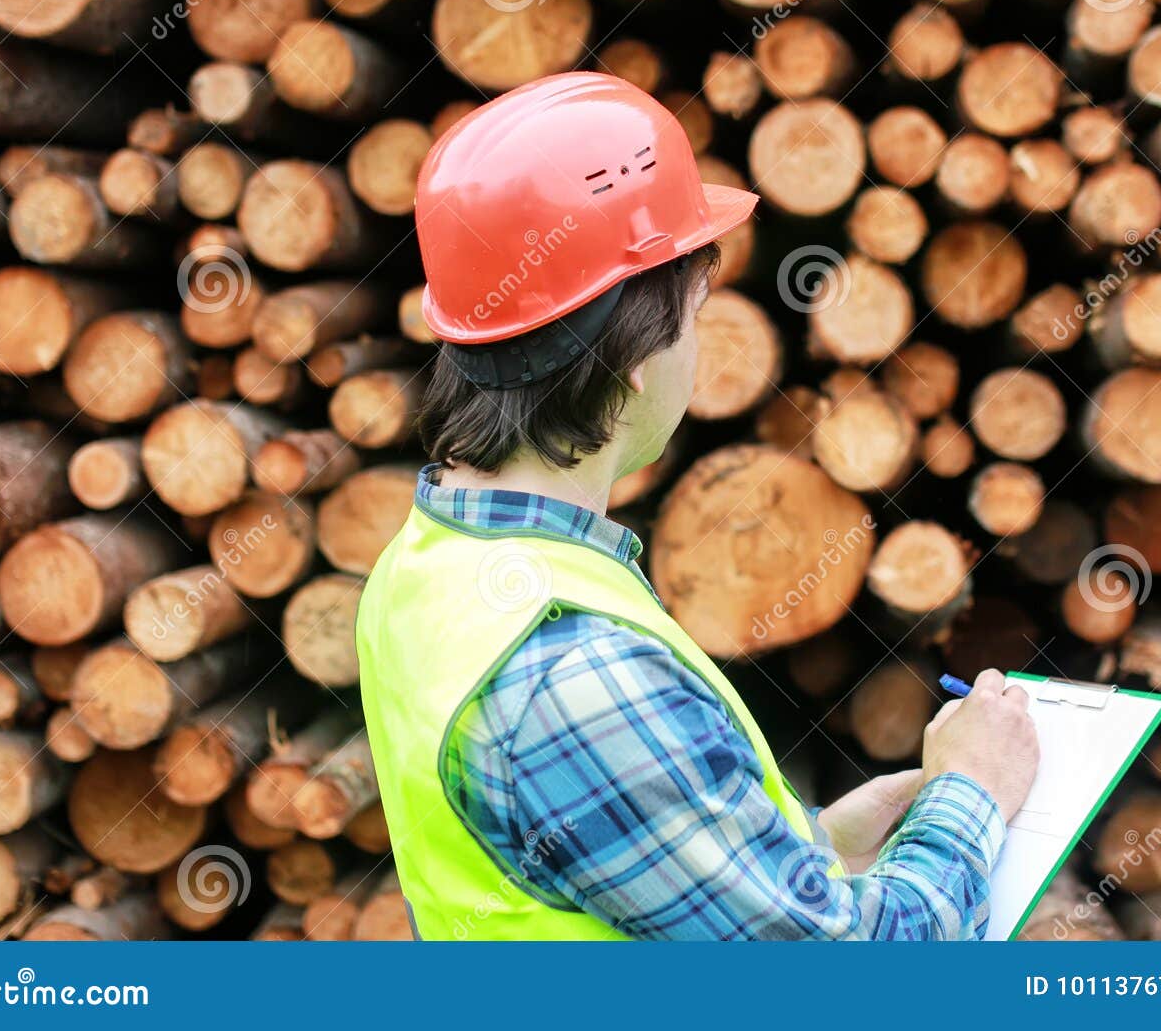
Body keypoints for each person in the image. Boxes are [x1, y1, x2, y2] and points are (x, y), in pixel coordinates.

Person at [355, 71, 1039, 941]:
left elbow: (575, 867)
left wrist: (816, 844)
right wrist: (970, 793)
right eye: (694, 312)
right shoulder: (572, 666)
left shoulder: (428, 561)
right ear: (633, 356)